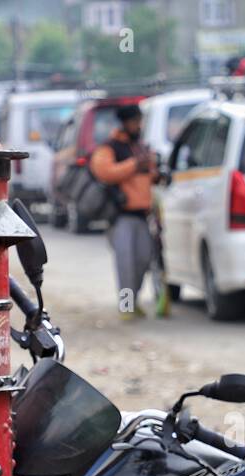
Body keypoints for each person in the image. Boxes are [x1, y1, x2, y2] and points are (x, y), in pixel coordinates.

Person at [91, 104, 158, 318]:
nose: (138, 125)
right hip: (121, 217)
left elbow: (149, 174)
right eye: (134, 122)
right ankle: (127, 307)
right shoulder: (110, 148)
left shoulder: (140, 146)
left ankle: (133, 300)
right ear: (125, 123)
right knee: (126, 265)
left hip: (142, 215)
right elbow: (104, 172)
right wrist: (134, 165)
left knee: (143, 261)